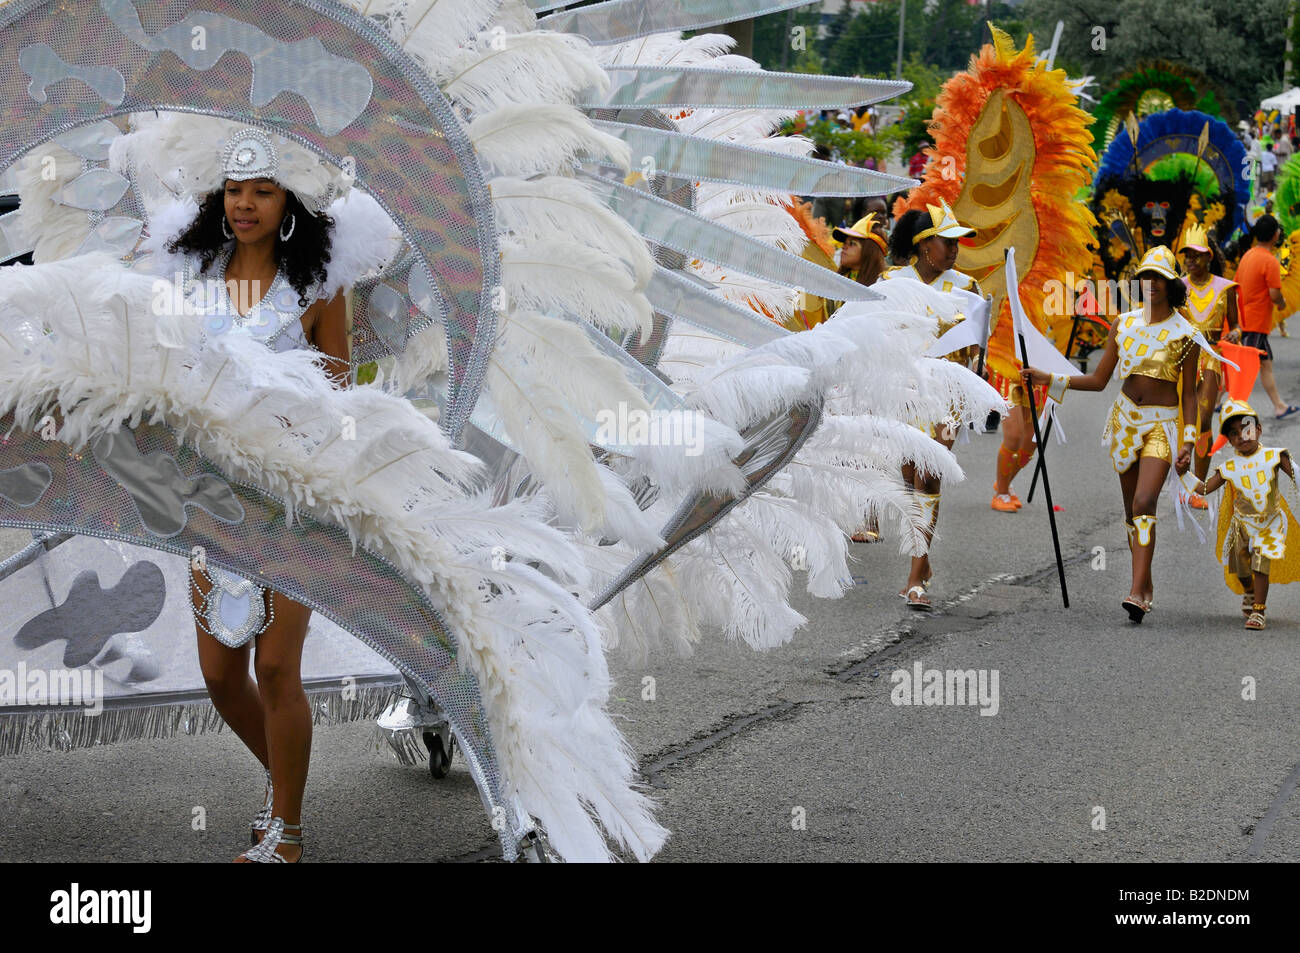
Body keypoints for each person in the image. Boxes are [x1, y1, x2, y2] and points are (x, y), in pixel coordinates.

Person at [164, 124, 352, 862]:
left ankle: (290, 831)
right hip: (210, 498)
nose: (245, 204)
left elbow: (341, 397)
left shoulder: (320, 288)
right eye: (234, 190)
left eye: (262, 191)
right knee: (220, 673)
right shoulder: (190, 279)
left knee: (276, 667)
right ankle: (285, 790)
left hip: (291, 497)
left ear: (289, 203)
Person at [1022, 246, 1226, 623]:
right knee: (1131, 512)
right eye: (1145, 277)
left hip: (1162, 425)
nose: (1150, 284)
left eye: (1158, 279)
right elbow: (1099, 381)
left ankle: (1135, 592)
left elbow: (1189, 395)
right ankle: (1144, 585)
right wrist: (1049, 378)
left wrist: (1189, 439)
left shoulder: (1187, 333)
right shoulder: (1124, 324)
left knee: (1145, 502)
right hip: (1124, 421)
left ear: (1170, 285)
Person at [881, 200, 982, 609]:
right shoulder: (891, 282)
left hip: (947, 394)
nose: (955, 251)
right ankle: (923, 562)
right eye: (947, 243)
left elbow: (975, 347)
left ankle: (914, 577)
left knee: (930, 473)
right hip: (904, 391)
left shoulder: (968, 288)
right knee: (909, 481)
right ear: (924, 246)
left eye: (958, 244)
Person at [1192, 400, 1300, 629]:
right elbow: (1203, 489)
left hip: (1269, 523)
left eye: (1247, 428)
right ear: (1229, 440)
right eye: (1234, 433)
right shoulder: (1229, 468)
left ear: (1259, 429)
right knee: (1242, 569)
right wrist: (1182, 474)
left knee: (1261, 562)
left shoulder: (1275, 456)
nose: (1242, 436)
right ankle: (1249, 591)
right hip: (1241, 524)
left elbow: (1297, 477)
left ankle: (1259, 611)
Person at [1179, 223, 1240, 503]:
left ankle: (1198, 487)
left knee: (1203, 419)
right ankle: (1178, 479)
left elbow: (1238, 326)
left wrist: (1234, 334)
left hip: (1211, 359)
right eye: (1186, 256)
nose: (1190, 261)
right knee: (1177, 420)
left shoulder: (1225, 288)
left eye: (1196, 255)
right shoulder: (1177, 286)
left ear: (1209, 257)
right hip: (1180, 359)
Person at [1235, 214, 1297, 418]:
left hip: (1247, 319)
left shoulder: (1248, 255)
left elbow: (1235, 285)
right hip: (1255, 322)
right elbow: (1274, 293)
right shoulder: (1269, 261)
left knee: (1266, 364)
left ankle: (1279, 406)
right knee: (1245, 366)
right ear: (1275, 235)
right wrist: (1282, 303)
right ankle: (1227, 404)